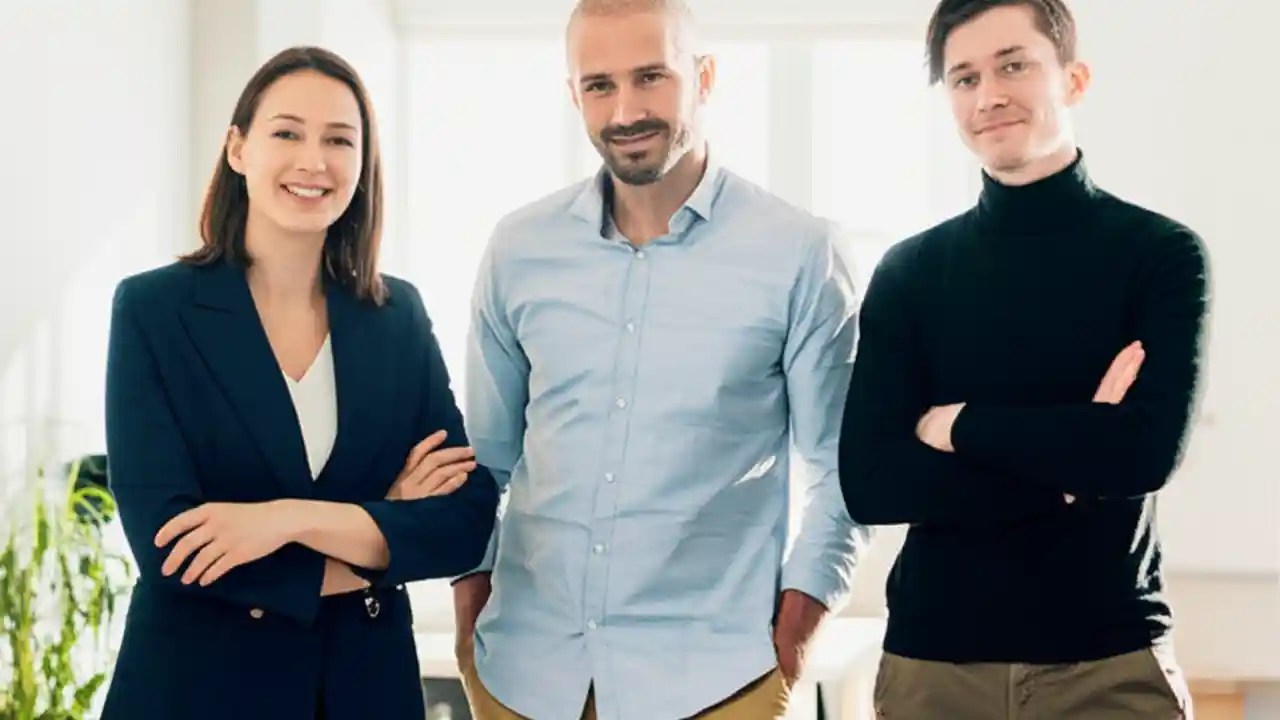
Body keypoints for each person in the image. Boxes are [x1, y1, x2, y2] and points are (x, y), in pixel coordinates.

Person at [449, 1, 870, 718]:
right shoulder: (519, 250)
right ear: (573, 94)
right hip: (521, 677)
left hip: (716, 685)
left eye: (652, 77)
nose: (626, 110)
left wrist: (790, 647)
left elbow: (841, 472)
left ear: (703, 78)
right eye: (600, 85)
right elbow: (483, 463)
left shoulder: (798, 253)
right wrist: (470, 632)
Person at [838, 0, 1212, 717]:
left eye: (1014, 65)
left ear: (1074, 78)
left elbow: (1141, 457)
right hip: (934, 666)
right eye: (964, 77)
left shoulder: (1160, 255)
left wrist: (961, 427)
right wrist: (1067, 470)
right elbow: (875, 483)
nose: (990, 95)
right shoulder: (910, 271)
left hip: (1107, 660)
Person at [101, 46, 498, 720]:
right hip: (197, 689)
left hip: (363, 689)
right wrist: (380, 526)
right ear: (237, 149)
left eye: (339, 140)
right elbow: (170, 545)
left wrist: (285, 520)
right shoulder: (154, 310)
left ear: (363, 164)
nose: (314, 160)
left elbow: (462, 521)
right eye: (287, 132)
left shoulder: (395, 315)